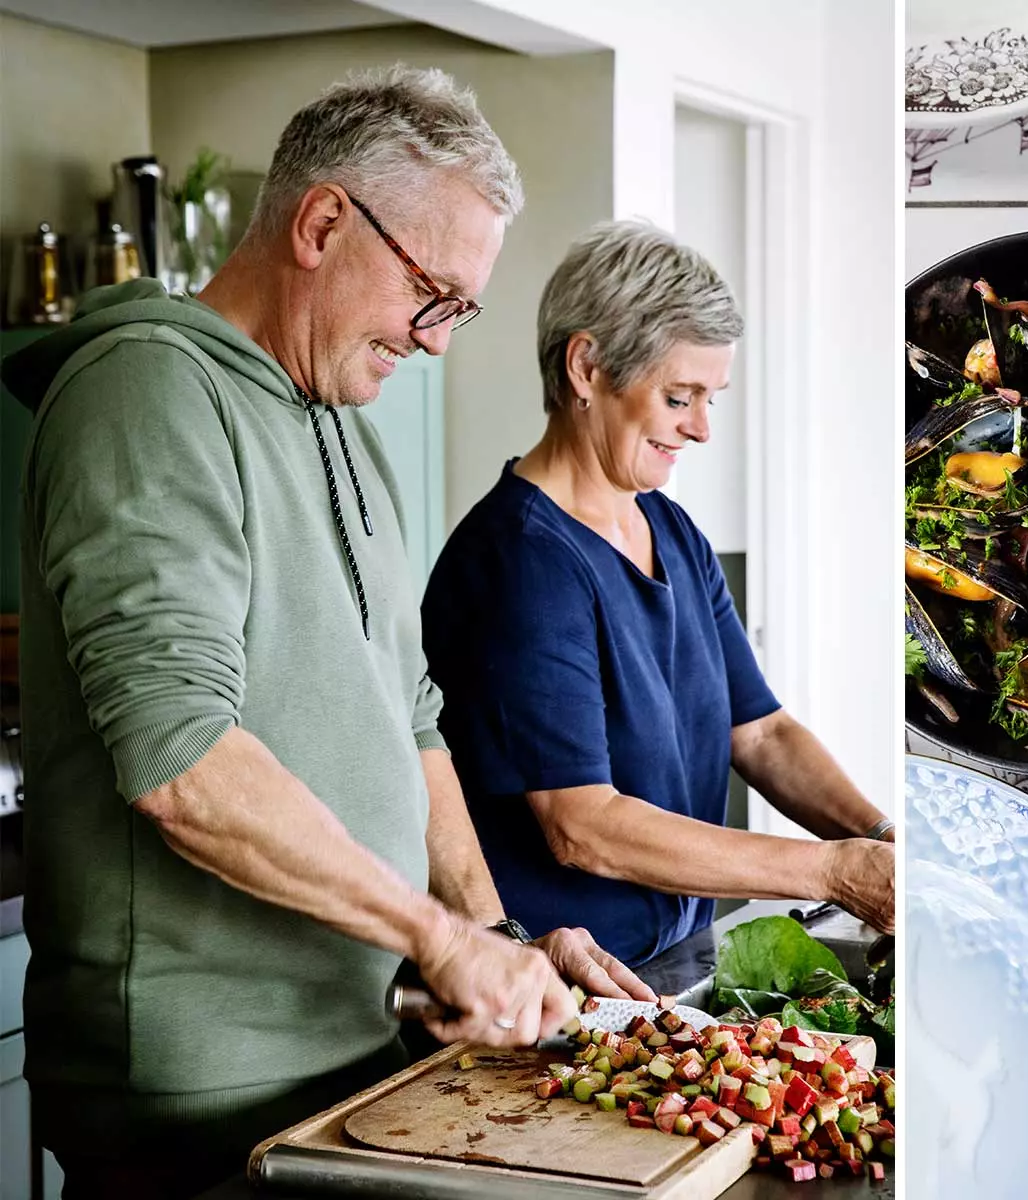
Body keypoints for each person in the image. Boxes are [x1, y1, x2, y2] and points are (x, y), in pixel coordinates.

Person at [5, 67, 650, 1200]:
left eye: (462, 309)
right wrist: (437, 939)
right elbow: (180, 761)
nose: (440, 342)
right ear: (320, 223)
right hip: (198, 1095)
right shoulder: (146, 394)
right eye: (434, 296)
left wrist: (491, 930)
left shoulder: (343, 428)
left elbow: (411, 719)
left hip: (353, 1055)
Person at [420, 221, 894, 967]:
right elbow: (584, 825)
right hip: (562, 985)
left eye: (713, 398)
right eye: (680, 396)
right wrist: (833, 871)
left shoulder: (667, 526)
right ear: (586, 367)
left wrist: (877, 838)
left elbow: (760, 732)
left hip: (672, 959)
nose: (702, 429)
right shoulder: (520, 562)